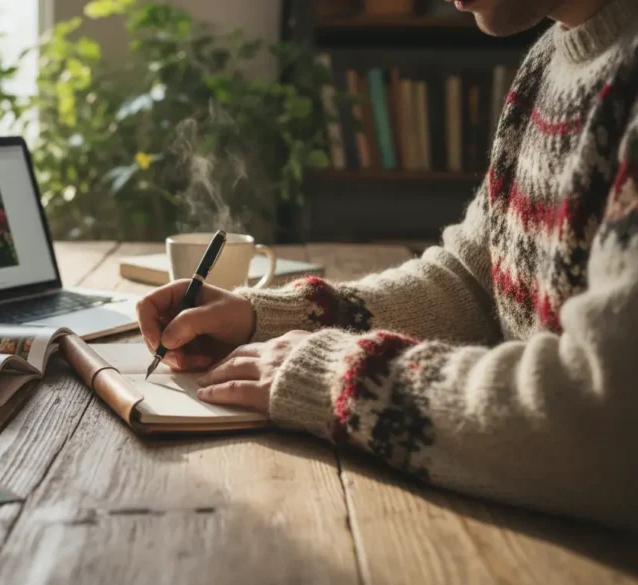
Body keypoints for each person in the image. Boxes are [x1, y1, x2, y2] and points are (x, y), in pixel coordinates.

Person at [137, 0, 638, 532]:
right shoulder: (546, 62)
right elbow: (471, 282)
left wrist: (343, 376)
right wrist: (264, 319)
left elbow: (608, 420)